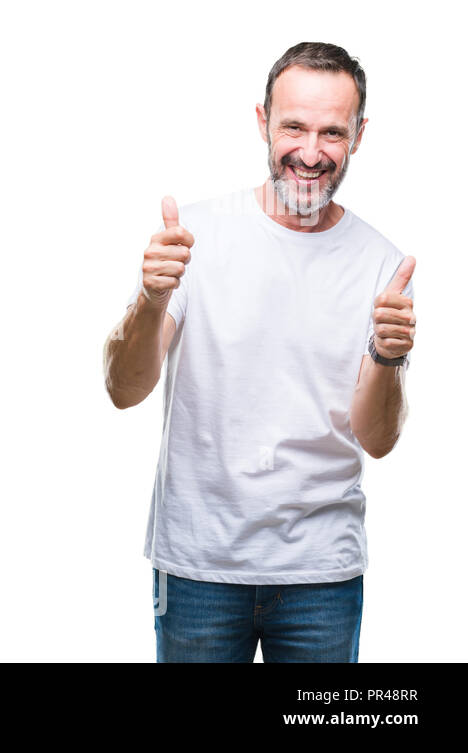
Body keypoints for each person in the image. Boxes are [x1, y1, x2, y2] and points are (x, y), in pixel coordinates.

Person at [103, 42, 415, 662]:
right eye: (293, 127)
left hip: (322, 575)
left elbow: (377, 440)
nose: (310, 152)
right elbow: (123, 389)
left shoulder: (383, 265)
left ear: (358, 135)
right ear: (262, 122)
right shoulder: (193, 237)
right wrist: (150, 299)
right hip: (198, 566)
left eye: (332, 132)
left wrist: (385, 356)